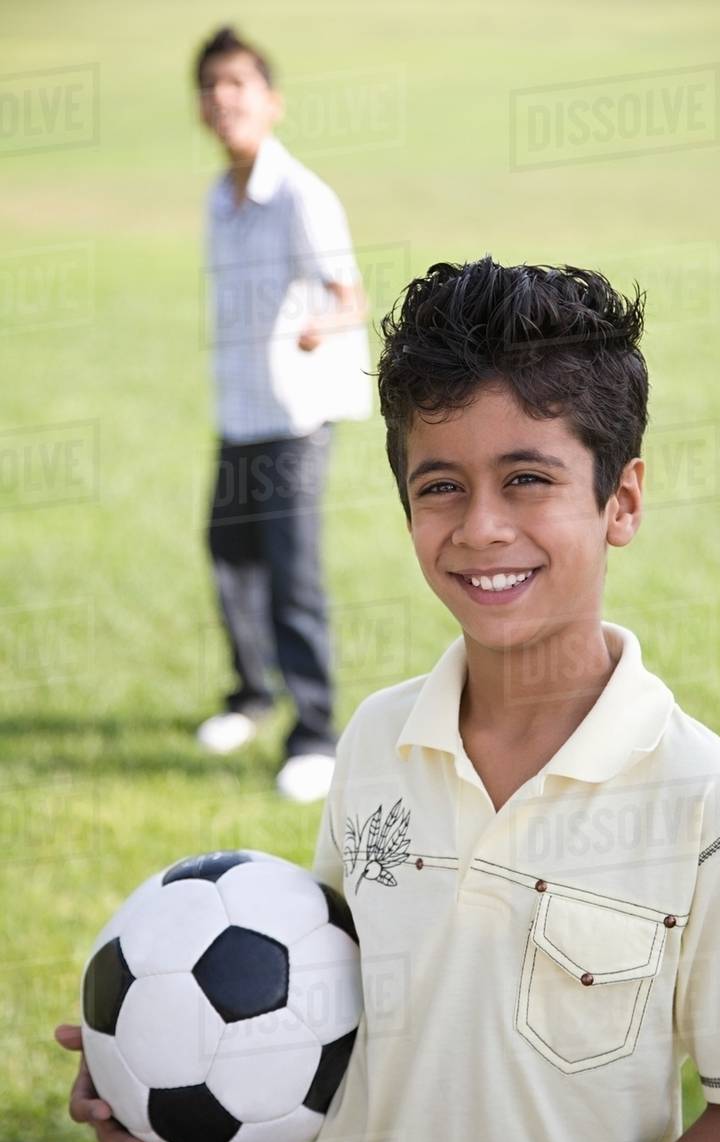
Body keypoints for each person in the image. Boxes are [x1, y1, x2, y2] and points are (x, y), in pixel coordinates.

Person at [56, 259, 720, 1142]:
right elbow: (324, 1010)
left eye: (527, 478)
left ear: (623, 501)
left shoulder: (703, 798)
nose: (481, 527)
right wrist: (160, 1064)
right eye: (441, 485)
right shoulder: (377, 741)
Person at [193, 27, 371, 802]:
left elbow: (352, 298)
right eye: (210, 86)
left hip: (295, 416)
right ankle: (250, 697)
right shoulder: (219, 198)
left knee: (292, 574)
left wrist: (317, 327)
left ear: (272, 101)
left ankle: (316, 733)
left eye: (237, 84)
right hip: (240, 408)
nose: (222, 98)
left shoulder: (301, 195)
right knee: (229, 555)